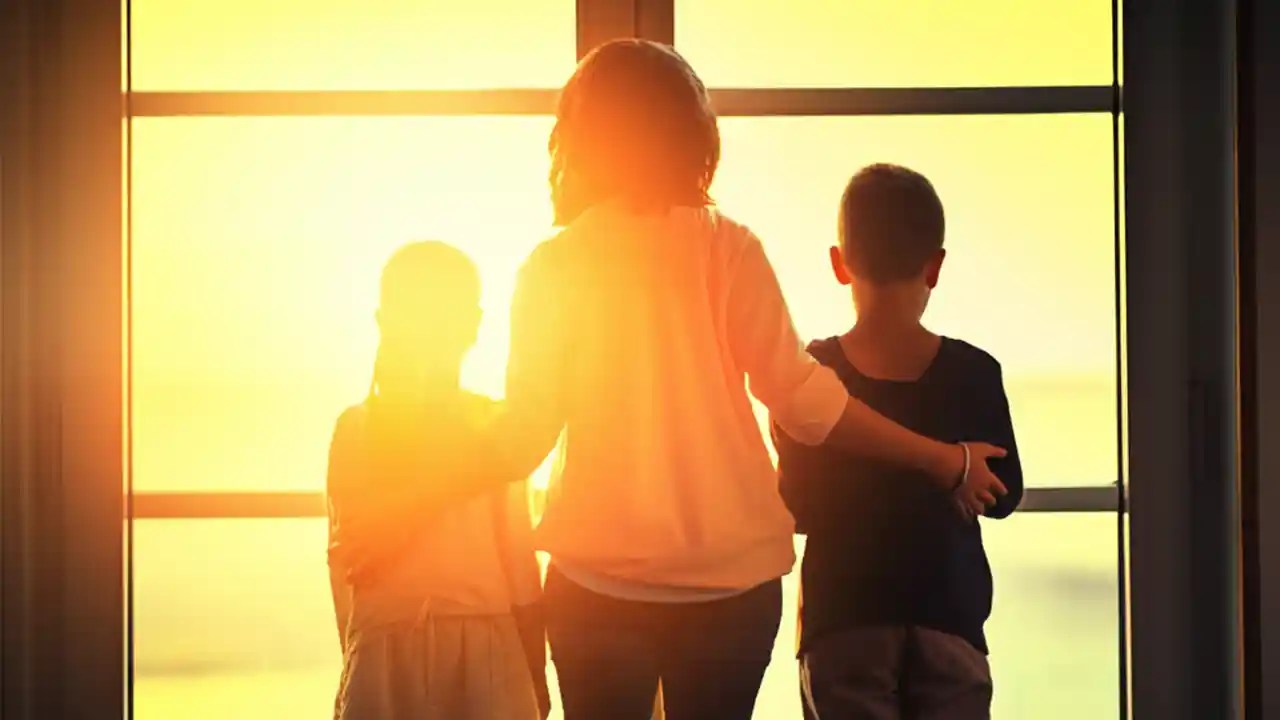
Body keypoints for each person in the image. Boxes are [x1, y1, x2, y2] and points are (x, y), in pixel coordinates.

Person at [349, 40, 1007, 720]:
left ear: (580, 138)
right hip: (732, 593)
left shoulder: (555, 265)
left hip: (596, 588)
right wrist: (943, 460)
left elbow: (522, 439)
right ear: (694, 136)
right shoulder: (730, 248)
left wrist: (404, 502)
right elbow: (807, 403)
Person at [774, 164, 1025, 720]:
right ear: (935, 267)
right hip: (949, 616)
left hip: (845, 620)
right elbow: (1004, 495)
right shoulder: (974, 373)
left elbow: (798, 507)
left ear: (839, 264)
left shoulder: (815, 374)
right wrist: (951, 474)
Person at [325, 241, 551, 720]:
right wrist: (534, 670)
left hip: (383, 654)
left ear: (384, 322)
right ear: (472, 326)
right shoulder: (496, 425)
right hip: (489, 654)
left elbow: (342, 564)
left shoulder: (355, 428)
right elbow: (519, 569)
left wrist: (358, 653)